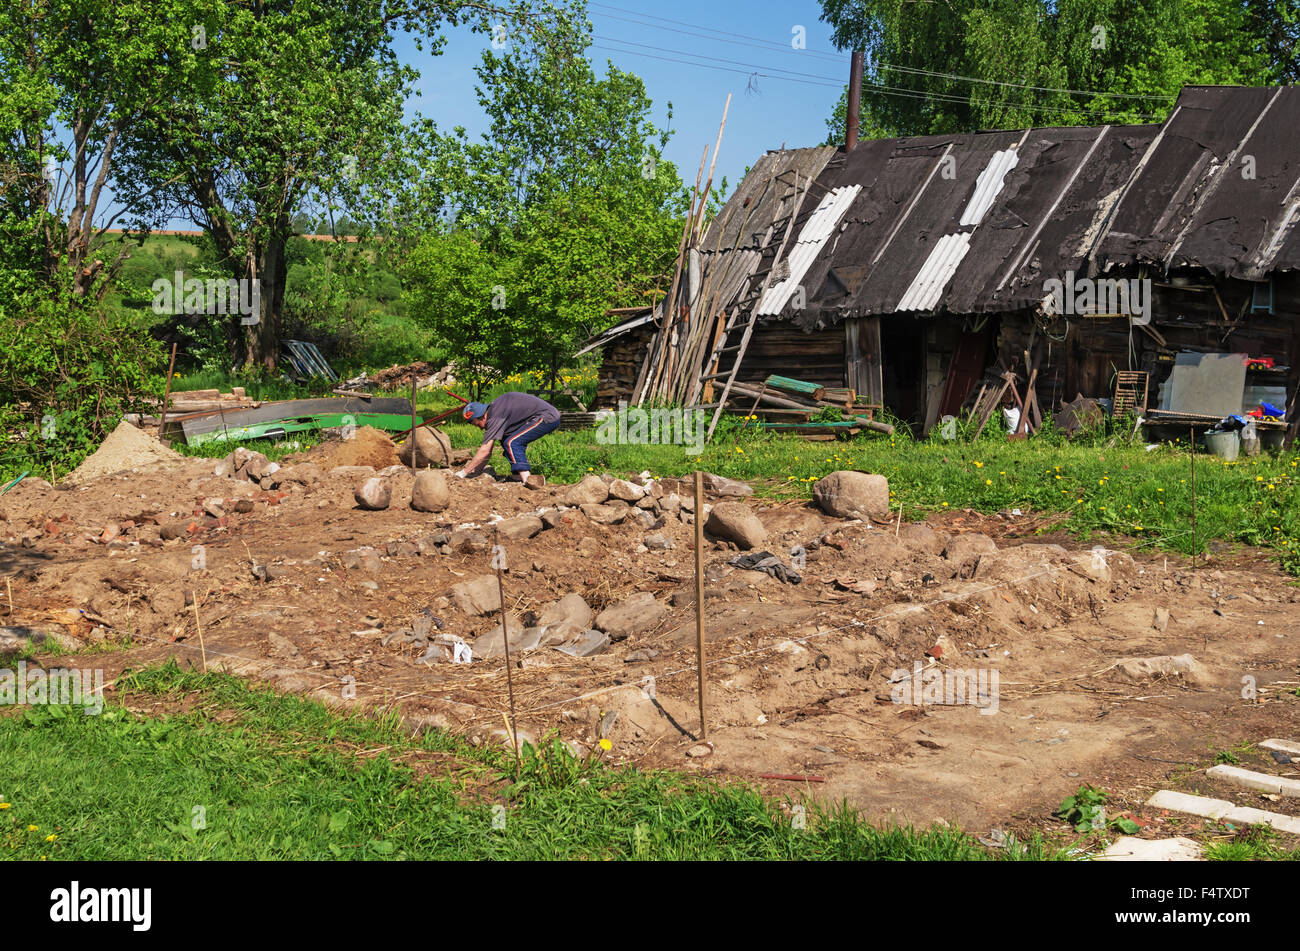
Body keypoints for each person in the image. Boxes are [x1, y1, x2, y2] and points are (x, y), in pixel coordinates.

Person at [455, 391, 561, 486]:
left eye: (478, 425)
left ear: (483, 417)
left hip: (547, 416)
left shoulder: (495, 417)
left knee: (512, 443)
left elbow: (485, 451)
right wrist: (476, 472)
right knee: (506, 439)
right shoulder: (494, 411)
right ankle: (518, 475)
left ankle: (528, 479)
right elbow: (487, 453)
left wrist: (463, 473)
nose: (481, 429)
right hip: (540, 414)